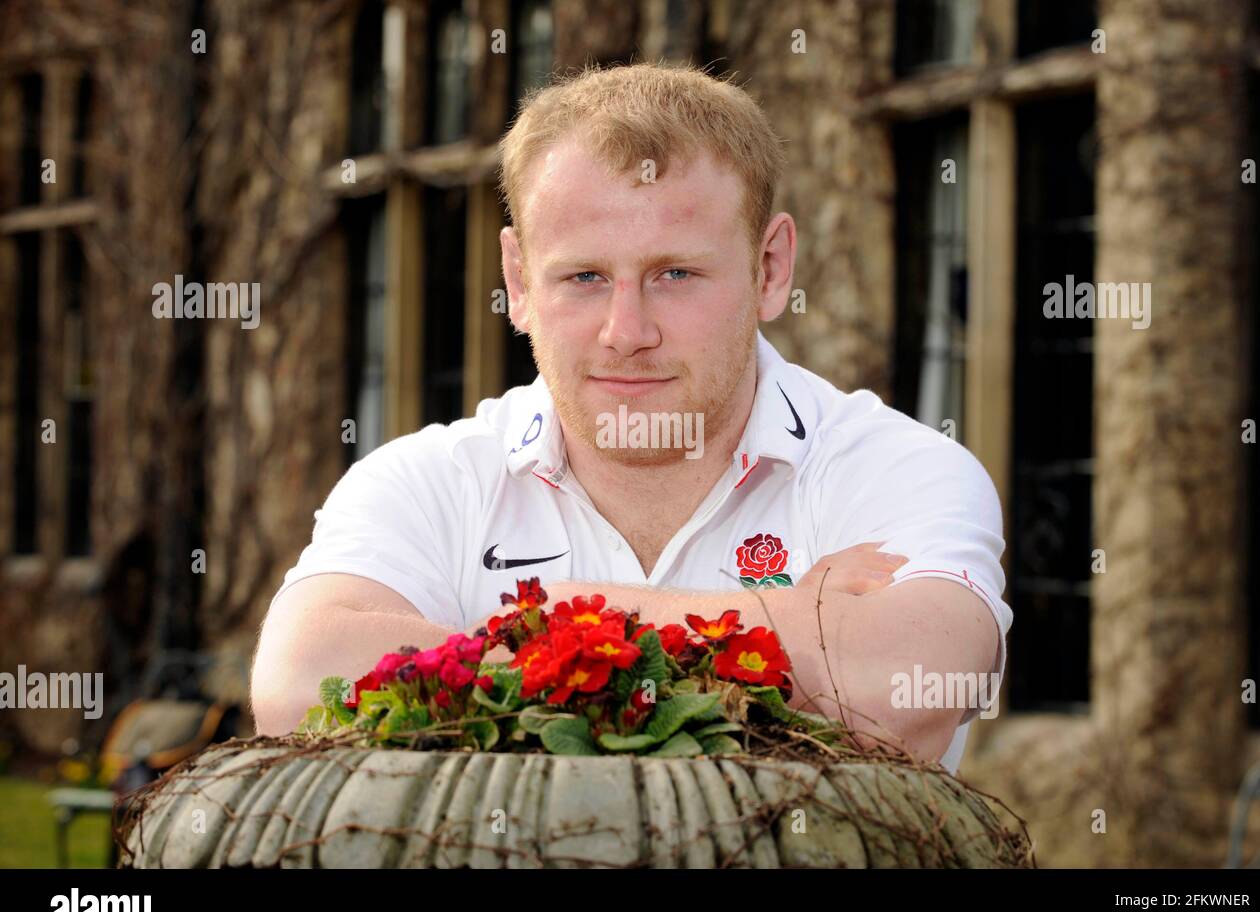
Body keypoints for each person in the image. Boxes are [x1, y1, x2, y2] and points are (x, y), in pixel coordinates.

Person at [251, 63, 1010, 773]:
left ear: (770, 269)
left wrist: (528, 627)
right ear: (518, 280)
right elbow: (298, 683)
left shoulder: (897, 469)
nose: (626, 330)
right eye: (584, 277)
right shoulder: (427, 482)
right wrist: (781, 621)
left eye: (675, 274)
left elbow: (913, 684)